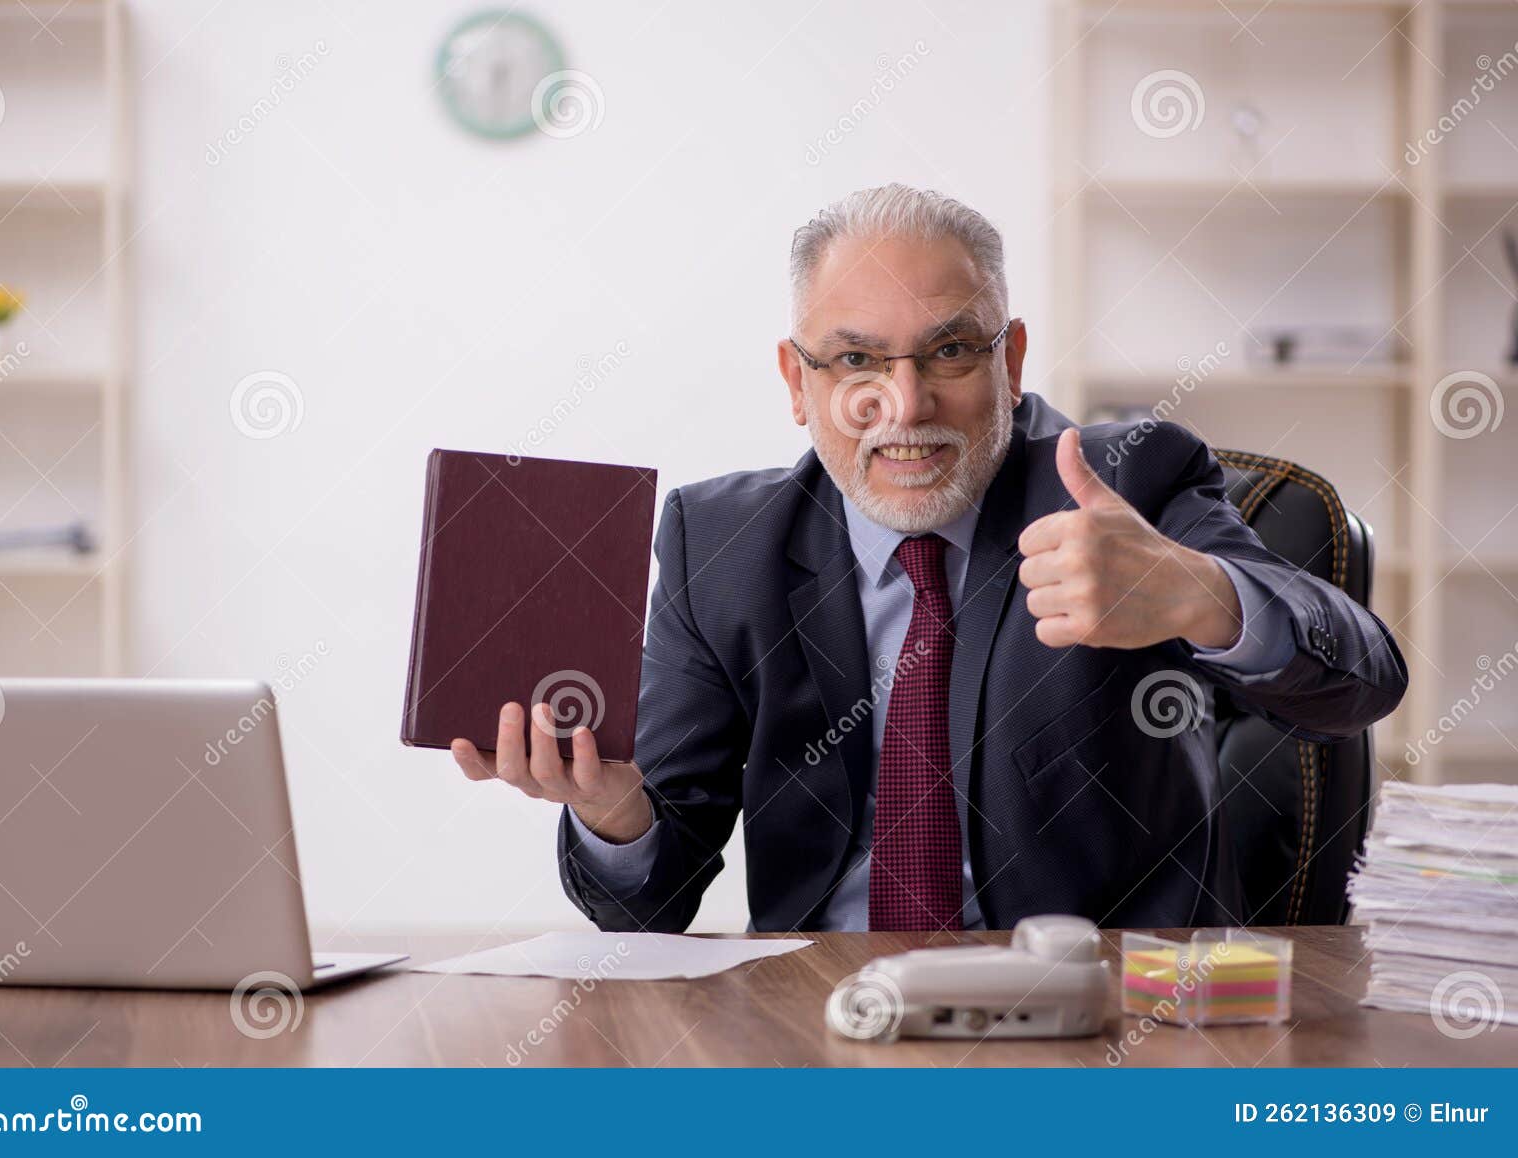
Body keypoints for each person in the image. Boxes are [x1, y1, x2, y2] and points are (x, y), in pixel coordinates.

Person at [450, 184, 1408, 933]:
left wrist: (1204, 597)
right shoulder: (721, 547)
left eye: (949, 352)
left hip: (1099, 1022)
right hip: (821, 1023)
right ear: (798, 381)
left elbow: (1362, 679)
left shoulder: (1128, 486)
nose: (904, 406)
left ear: (1011, 361)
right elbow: (645, 906)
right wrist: (619, 815)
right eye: (857, 360)